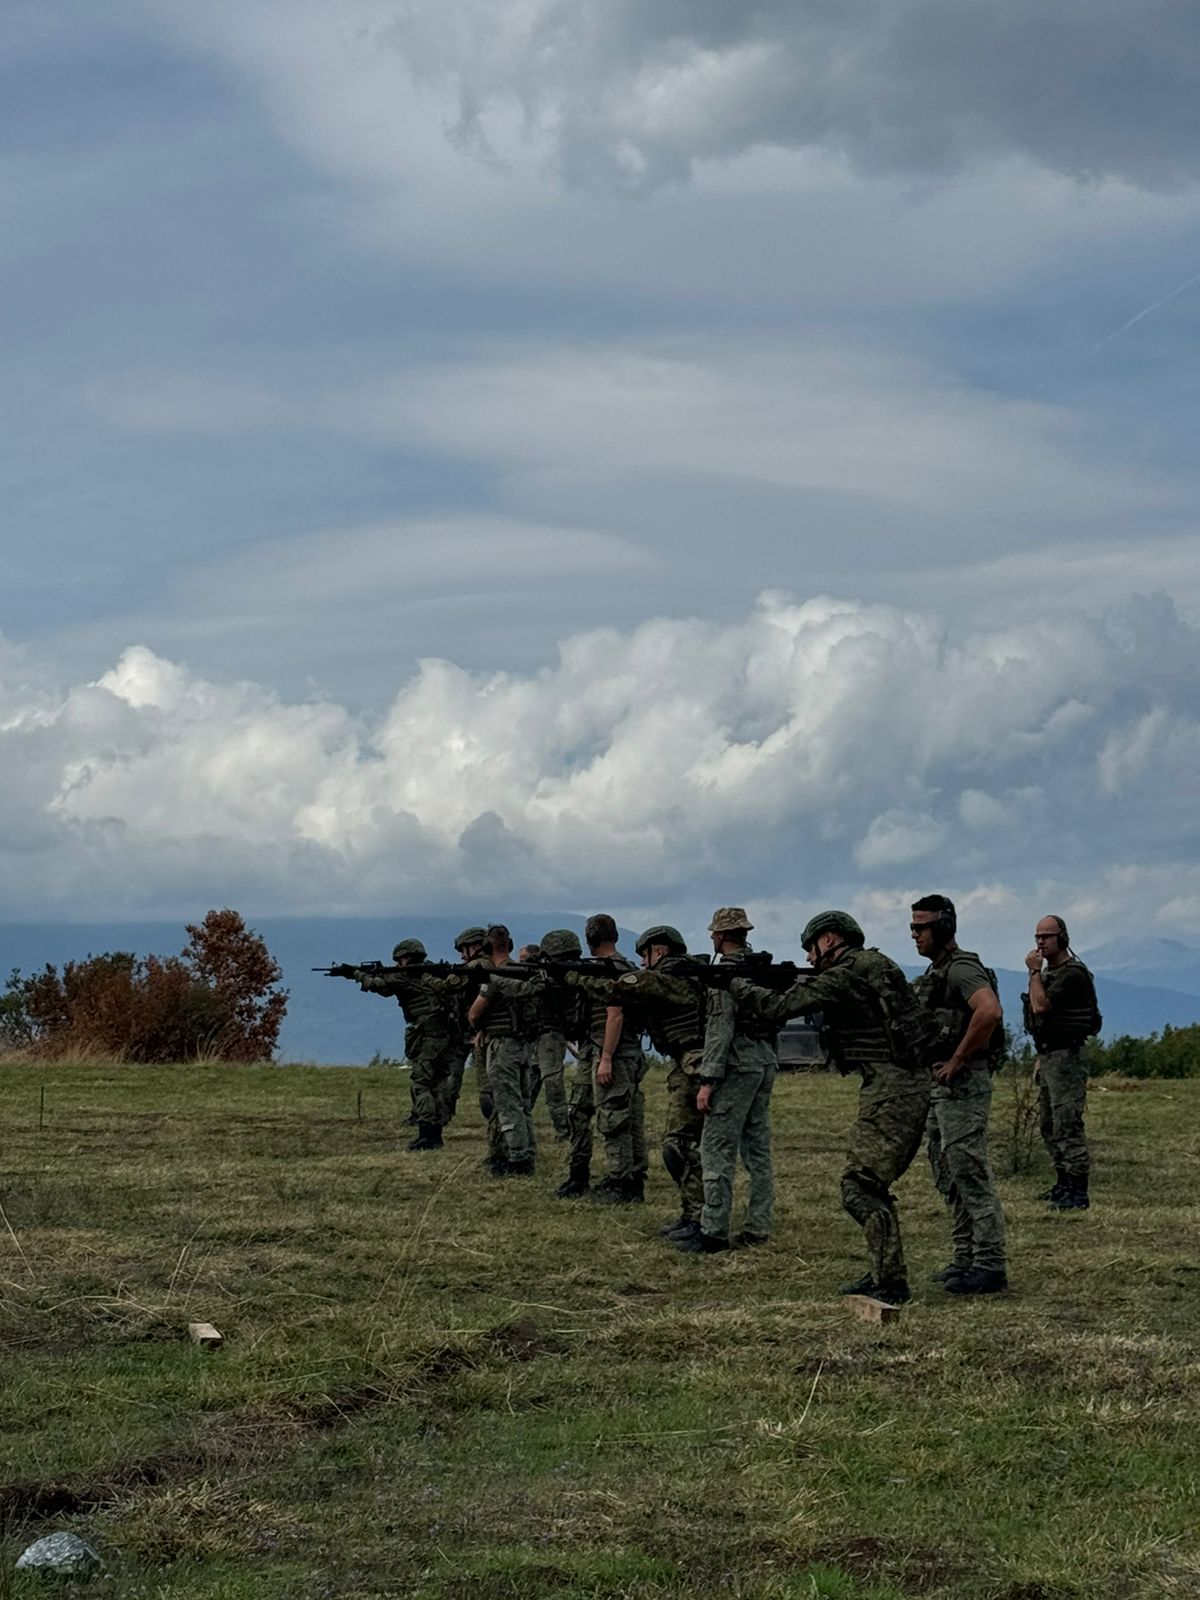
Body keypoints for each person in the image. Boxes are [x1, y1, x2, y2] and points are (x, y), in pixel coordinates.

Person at [732, 912, 932, 1302]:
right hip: (894, 1081)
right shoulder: (871, 964)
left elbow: (778, 1008)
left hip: (895, 1085)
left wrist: (738, 985)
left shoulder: (847, 972)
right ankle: (884, 1273)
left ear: (829, 939)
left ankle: (891, 1283)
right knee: (866, 1183)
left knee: (859, 1186)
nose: (809, 958)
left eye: (811, 947)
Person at [910, 895, 1008, 1295]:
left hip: (962, 1085)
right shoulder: (939, 971)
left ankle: (990, 1263)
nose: (914, 934)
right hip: (943, 1088)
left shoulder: (962, 968)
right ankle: (965, 1256)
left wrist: (957, 1059)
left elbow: (989, 1011)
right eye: (912, 927)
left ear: (944, 928)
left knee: (968, 1170)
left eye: (922, 927)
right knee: (948, 1171)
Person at [585, 925, 707, 1241]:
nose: (642, 962)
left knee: (680, 1144)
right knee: (680, 1143)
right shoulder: (680, 976)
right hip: (686, 1063)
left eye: (646, 954)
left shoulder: (666, 977)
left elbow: (613, 995)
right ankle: (692, 1215)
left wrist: (571, 978)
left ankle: (699, 1218)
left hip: (694, 1064)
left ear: (660, 951)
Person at [678, 908, 779, 1254]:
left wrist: (708, 1079)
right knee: (757, 1149)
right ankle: (758, 1225)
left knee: (716, 1147)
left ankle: (713, 1230)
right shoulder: (763, 969)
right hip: (764, 1061)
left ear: (721, 937)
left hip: (735, 1065)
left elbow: (720, 1030)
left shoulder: (723, 975)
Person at [1024, 915, 1101, 1211]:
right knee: (1049, 1123)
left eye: (1047, 936)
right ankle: (1063, 1182)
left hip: (1067, 1057)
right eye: (1038, 937)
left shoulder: (1072, 975)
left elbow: (1041, 1006)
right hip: (1050, 1055)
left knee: (1067, 1123)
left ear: (1062, 938)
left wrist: (1034, 974)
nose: (1041, 942)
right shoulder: (1052, 974)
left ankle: (1078, 1191)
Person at [568, 914, 646, 1205]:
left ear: (591, 938)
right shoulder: (625, 967)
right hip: (610, 1049)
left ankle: (620, 1182)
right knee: (624, 1116)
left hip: (611, 1051)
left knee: (614, 1119)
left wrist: (606, 1058)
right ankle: (632, 1179)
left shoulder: (610, 970)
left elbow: (615, 1015)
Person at [357, 938, 455, 1151]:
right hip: (445, 1034)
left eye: (401, 959)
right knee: (438, 1083)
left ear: (406, 957)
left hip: (426, 1035)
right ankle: (436, 1134)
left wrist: (357, 974)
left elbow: (377, 986)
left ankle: (426, 1134)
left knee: (421, 1084)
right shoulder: (433, 971)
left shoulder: (403, 976)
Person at [468, 924, 537, 1177]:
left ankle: (517, 1159)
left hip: (502, 1047)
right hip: (524, 1045)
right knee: (524, 1103)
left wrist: (479, 1026)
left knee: (507, 1104)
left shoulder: (496, 977)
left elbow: (475, 1013)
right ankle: (528, 1152)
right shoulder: (524, 972)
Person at [526, 929, 582, 1142]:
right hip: (536, 1034)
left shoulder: (573, 978)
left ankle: (564, 1131)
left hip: (551, 1034)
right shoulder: (539, 972)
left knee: (552, 1085)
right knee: (530, 1084)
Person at [446, 925, 487, 1125]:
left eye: (465, 949)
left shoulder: (478, 967)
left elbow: (451, 983)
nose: (463, 955)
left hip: (480, 1031)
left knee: (484, 1080)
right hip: (466, 1030)